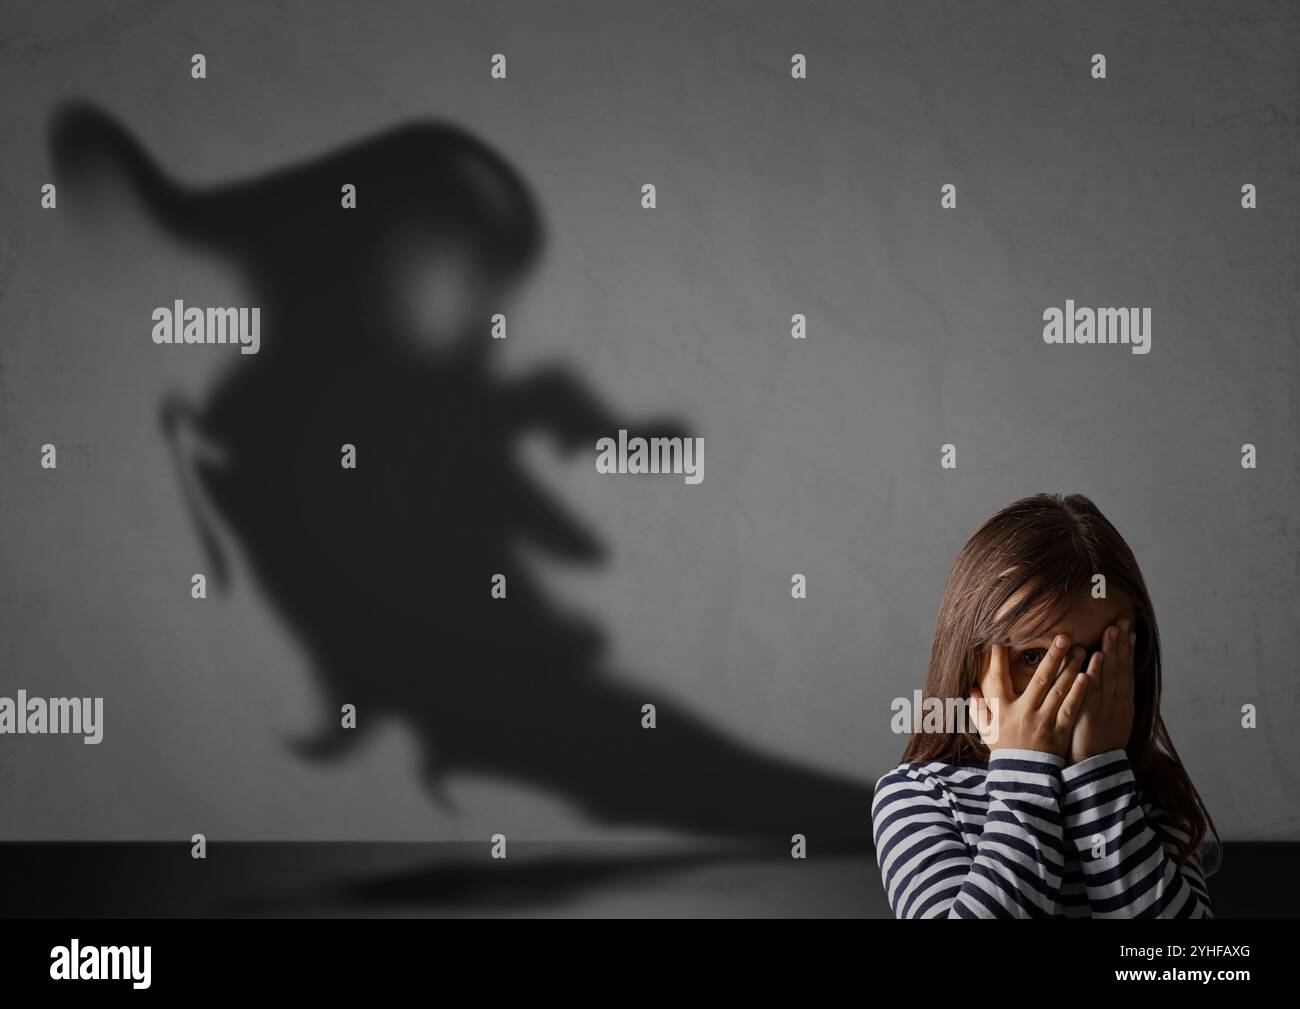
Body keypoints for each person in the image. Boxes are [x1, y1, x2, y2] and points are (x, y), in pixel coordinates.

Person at [871, 493, 1219, 917]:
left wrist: (1101, 781)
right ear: (972, 658)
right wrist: (1024, 772)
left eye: (1099, 658)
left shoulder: (1154, 790)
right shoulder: (918, 797)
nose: (1069, 689)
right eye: (1033, 658)